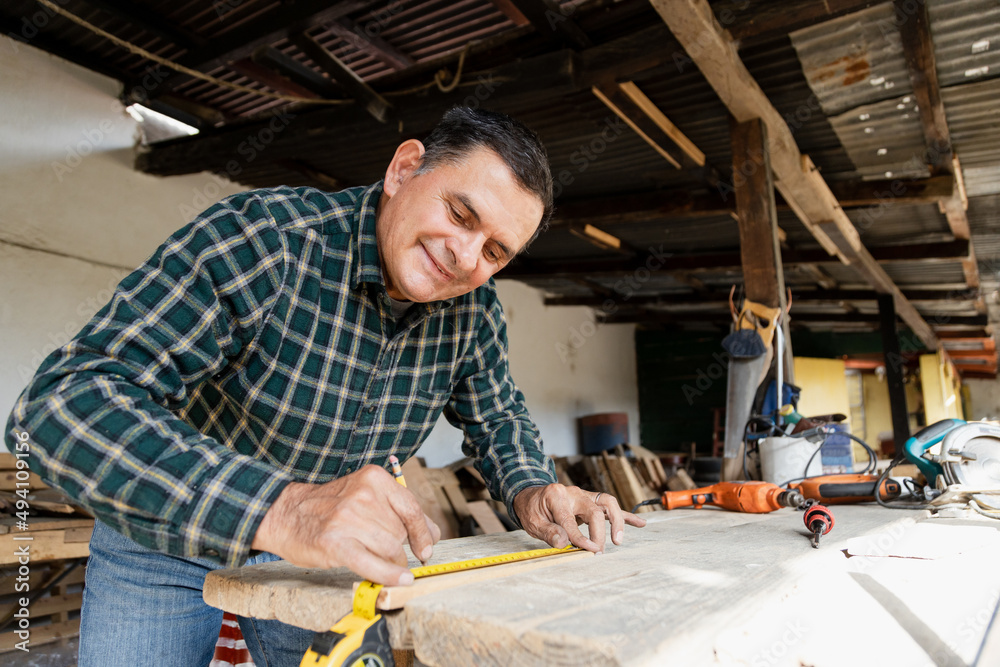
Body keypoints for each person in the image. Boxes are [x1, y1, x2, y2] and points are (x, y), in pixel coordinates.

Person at [5, 107, 646, 665]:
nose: (465, 256)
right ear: (404, 169)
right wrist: (282, 508)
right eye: (459, 212)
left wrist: (534, 489)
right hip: (164, 536)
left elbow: (498, 417)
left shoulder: (473, 311)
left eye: (496, 252)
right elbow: (58, 406)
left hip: (326, 562)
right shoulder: (264, 241)